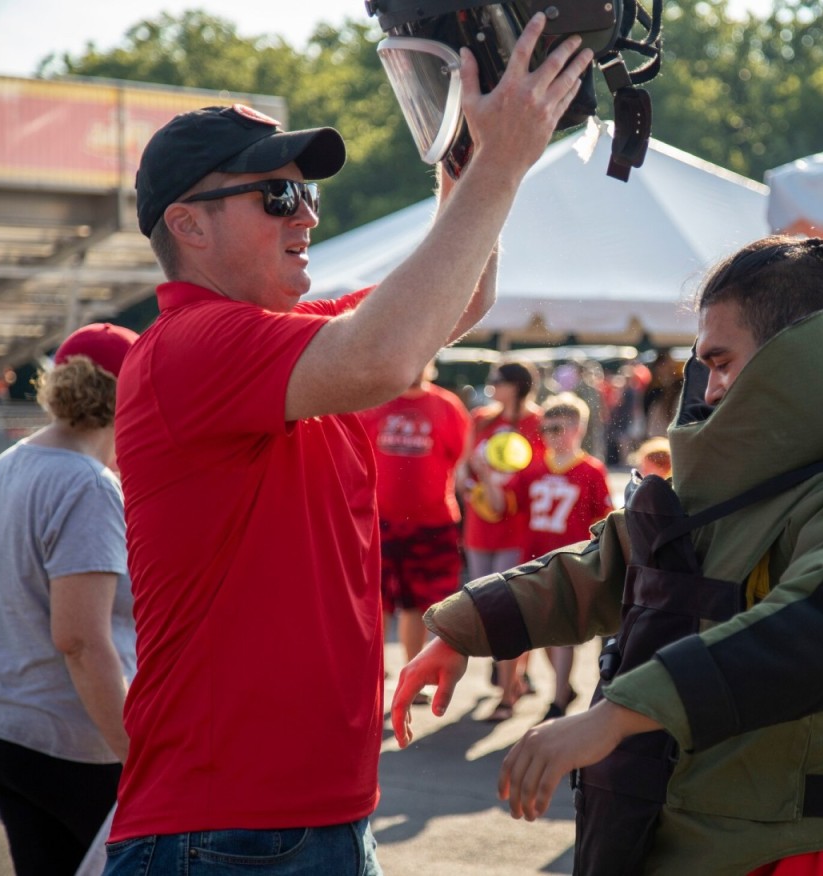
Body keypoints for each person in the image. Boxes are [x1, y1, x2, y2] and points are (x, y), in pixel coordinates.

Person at [105, 17, 593, 875]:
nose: (309, 214)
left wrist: (473, 166)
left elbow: (457, 297)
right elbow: (388, 353)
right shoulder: (192, 345)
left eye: (307, 193)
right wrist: (503, 166)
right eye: (278, 196)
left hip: (292, 820)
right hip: (231, 831)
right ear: (188, 225)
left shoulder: (273, 338)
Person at [392, 235, 823, 876]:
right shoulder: (754, 475)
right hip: (698, 842)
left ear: (795, 357)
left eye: (723, 363)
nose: (711, 390)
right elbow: (614, 564)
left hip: (813, 857)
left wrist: (618, 714)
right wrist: (461, 627)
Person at [0, 323, 138, 876]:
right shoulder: (88, 485)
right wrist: (137, 756)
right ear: (129, 393)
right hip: (73, 740)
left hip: (3, 724)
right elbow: (80, 640)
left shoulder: (10, 462)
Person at [474, 393, 614, 721]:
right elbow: (500, 508)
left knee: (561, 634)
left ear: (578, 428)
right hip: (532, 560)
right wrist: (486, 477)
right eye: (547, 429)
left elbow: (606, 517)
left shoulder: (591, 471)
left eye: (559, 428)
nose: (552, 435)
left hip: (572, 562)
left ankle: (559, 699)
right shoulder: (533, 467)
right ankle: (511, 694)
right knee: (518, 627)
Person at [358, 364, 472, 669]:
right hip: (378, 521)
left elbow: (460, 457)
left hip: (432, 522)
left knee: (421, 604)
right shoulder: (375, 400)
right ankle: (373, 673)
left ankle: (415, 670)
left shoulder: (447, 406)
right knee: (373, 602)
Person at [460, 358, 547, 716]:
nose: (493, 385)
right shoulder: (481, 418)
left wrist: (503, 488)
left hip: (518, 527)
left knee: (512, 605)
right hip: (480, 525)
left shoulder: (538, 421)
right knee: (484, 603)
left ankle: (511, 685)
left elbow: (539, 470)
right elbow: (464, 464)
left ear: (518, 385)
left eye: (500, 380)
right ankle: (508, 676)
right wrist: (470, 485)